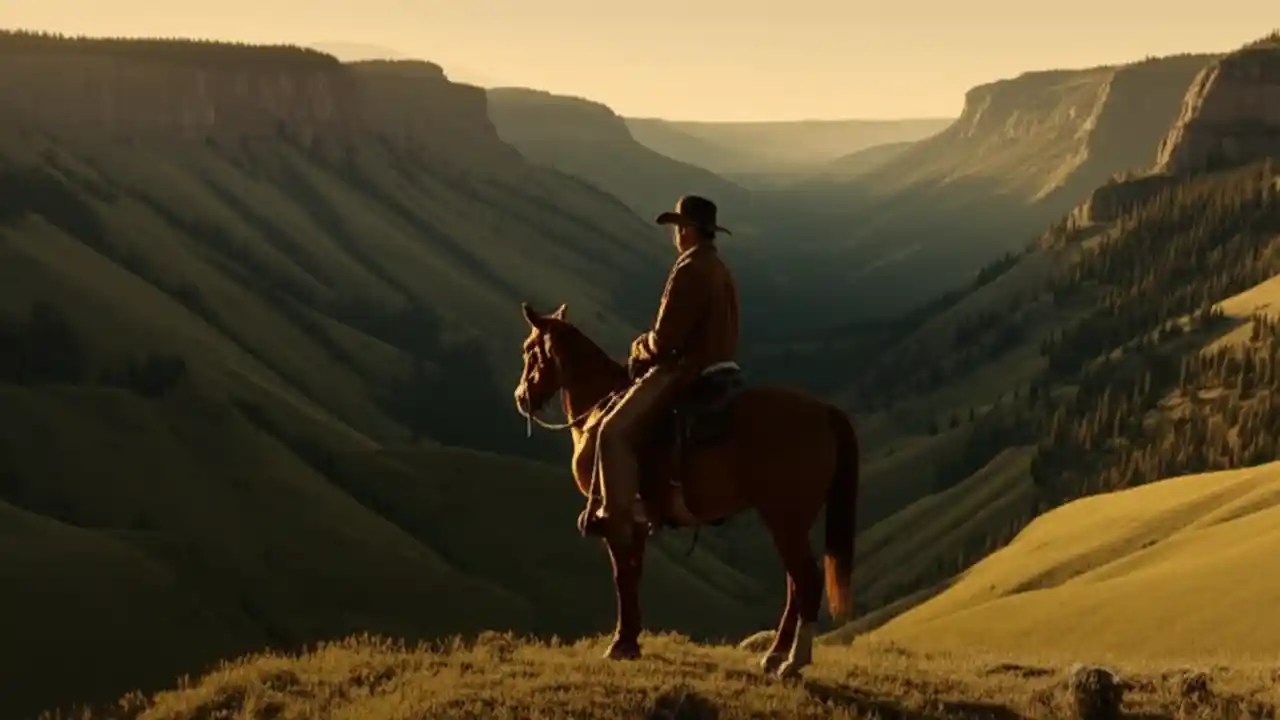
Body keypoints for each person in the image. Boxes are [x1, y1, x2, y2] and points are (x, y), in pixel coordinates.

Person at [583, 195, 740, 550]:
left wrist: (640, 347)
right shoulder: (719, 267)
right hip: (725, 367)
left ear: (687, 230)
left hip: (686, 370)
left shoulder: (688, 269)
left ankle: (619, 514)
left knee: (611, 432)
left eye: (678, 228)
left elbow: (665, 340)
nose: (675, 235)